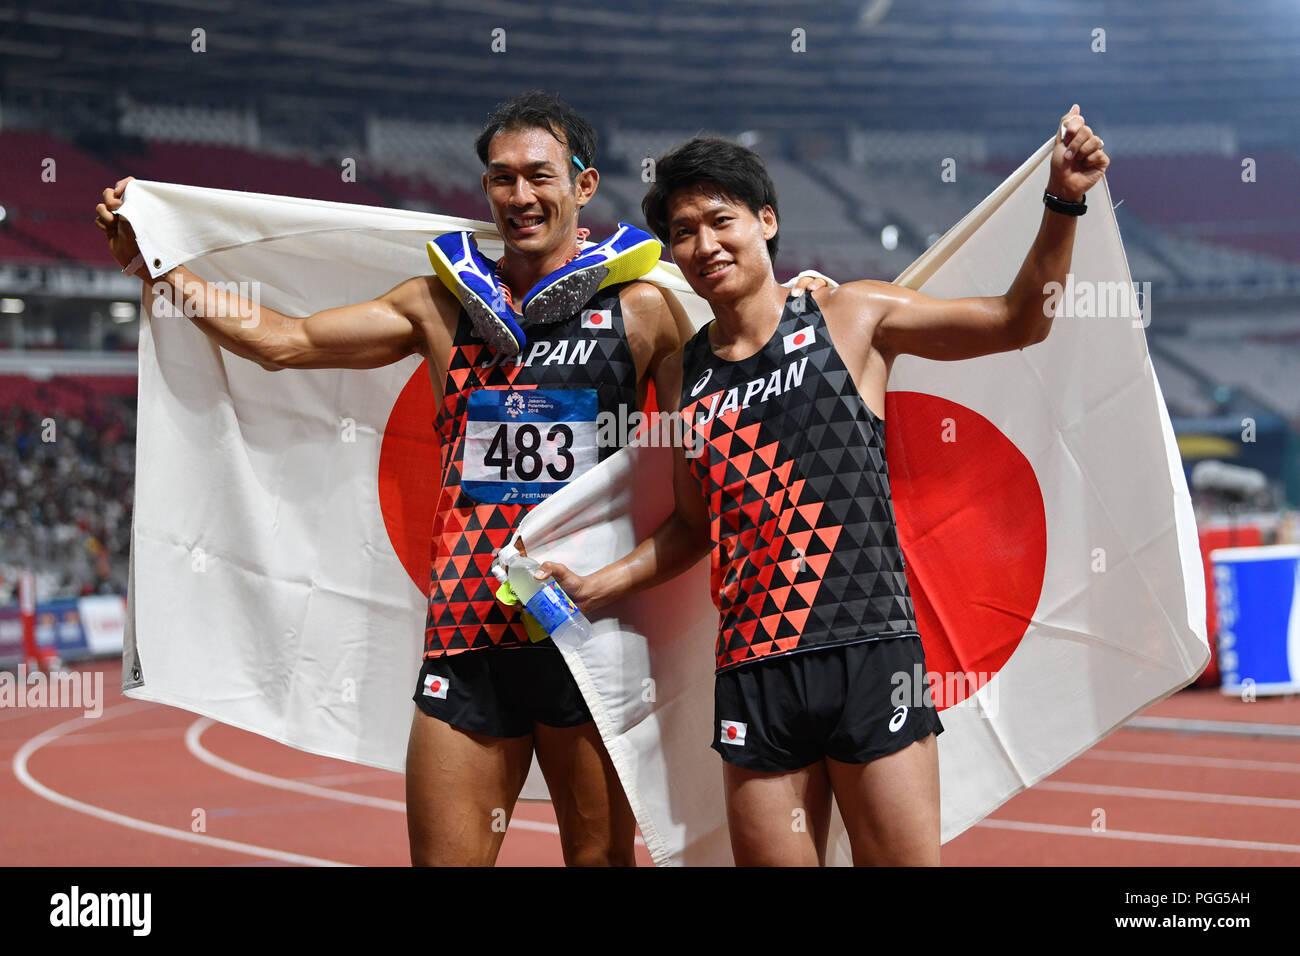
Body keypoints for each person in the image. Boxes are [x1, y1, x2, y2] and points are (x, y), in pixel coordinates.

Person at [97, 89, 826, 867]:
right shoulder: (439, 307)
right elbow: (287, 342)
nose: (520, 196)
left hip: (584, 632)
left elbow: (731, 383)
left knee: (600, 862)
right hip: (466, 635)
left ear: (581, 186)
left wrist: (801, 305)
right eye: (501, 178)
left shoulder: (641, 311)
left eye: (539, 176)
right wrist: (161, 269)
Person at [536, 105, 1110, 865]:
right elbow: (692, 526)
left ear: (765, 221)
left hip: (870, 654)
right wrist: (596, 585)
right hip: (753, 672)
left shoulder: (853, 314)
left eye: (721, 220)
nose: (704, 244)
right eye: (683, 232)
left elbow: (1016, 321)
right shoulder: (685, 375)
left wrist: (1063, 199)